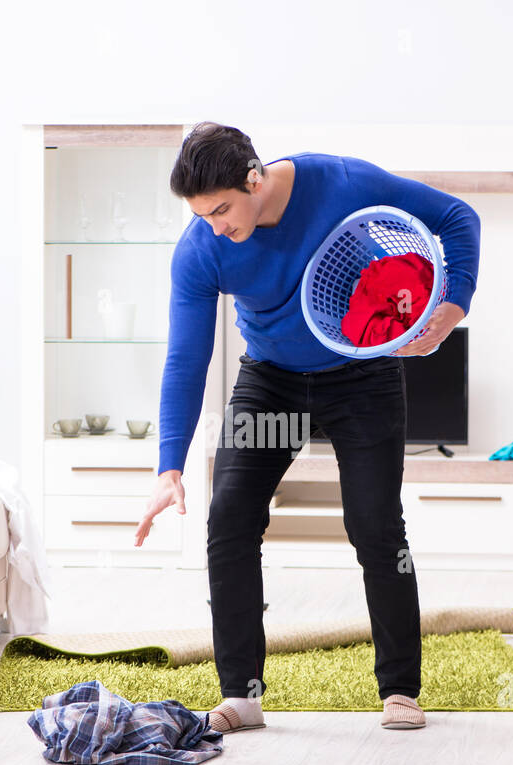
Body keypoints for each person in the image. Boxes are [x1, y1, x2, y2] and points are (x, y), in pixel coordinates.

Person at [133, 122, 481, 733]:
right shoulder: (201, 248)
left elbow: (456, 218)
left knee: (375, 524)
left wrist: (452, 309)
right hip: (272, 382)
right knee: (231, 516)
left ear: (254, 178)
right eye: (202, 215)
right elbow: (187, 359)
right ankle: (241, 693)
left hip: (362, 373)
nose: (216, 226)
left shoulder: (341, 182)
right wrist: (169, 466)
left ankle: (400, 689)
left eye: (222, 210)